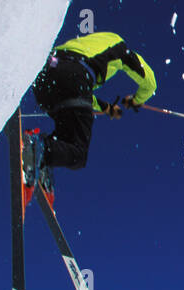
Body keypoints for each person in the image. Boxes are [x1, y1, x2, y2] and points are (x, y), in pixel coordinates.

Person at [28, 30, 157, 182]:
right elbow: (150, 84)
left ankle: (39, 156)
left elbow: (81, 96)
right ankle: (37, 150)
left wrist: (107, 108)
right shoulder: (120, 47)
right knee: (78, 154)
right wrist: (135, 100)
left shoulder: (84, 46)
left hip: (45, 81)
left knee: (65, 139)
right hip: (73, 75)